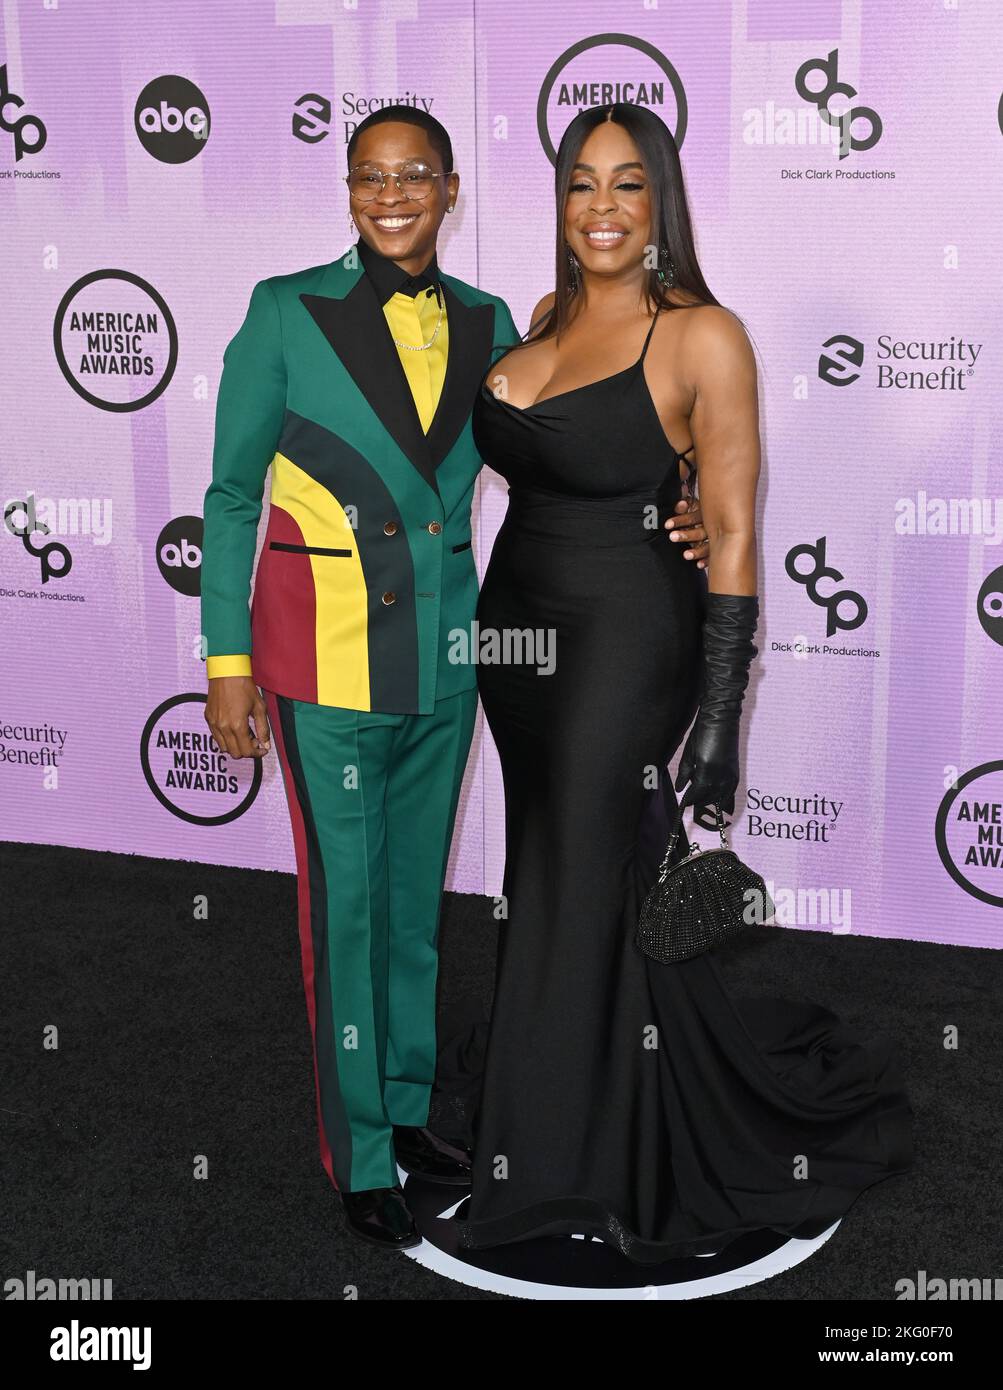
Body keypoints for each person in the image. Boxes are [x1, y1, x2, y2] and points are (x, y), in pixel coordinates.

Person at [199, 104, 713, 1251]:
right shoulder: (282, 311)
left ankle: (412, 1110)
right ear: (347, 187)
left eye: (414, 174)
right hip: (322, 663)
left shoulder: (490, 322)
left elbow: (566, 442)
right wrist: (226, 661)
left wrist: (679, 501)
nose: (392, 194)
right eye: (370, 176)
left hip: (451, 659)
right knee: (346, 909)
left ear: (448, 188)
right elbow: (233, 497)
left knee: (414, 908)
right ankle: (359, 1155)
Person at [453, 103, 914, 1263]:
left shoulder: (704, 335)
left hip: (628, 639)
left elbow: (736, 539)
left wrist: (718, 722)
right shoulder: (548, 314)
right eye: (579, 185)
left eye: (626, 185)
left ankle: (580, 1154)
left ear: (661, 201)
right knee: (556, 868)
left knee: (579, 864)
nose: (600, 208)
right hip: (516, 638)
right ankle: (558, 1104)